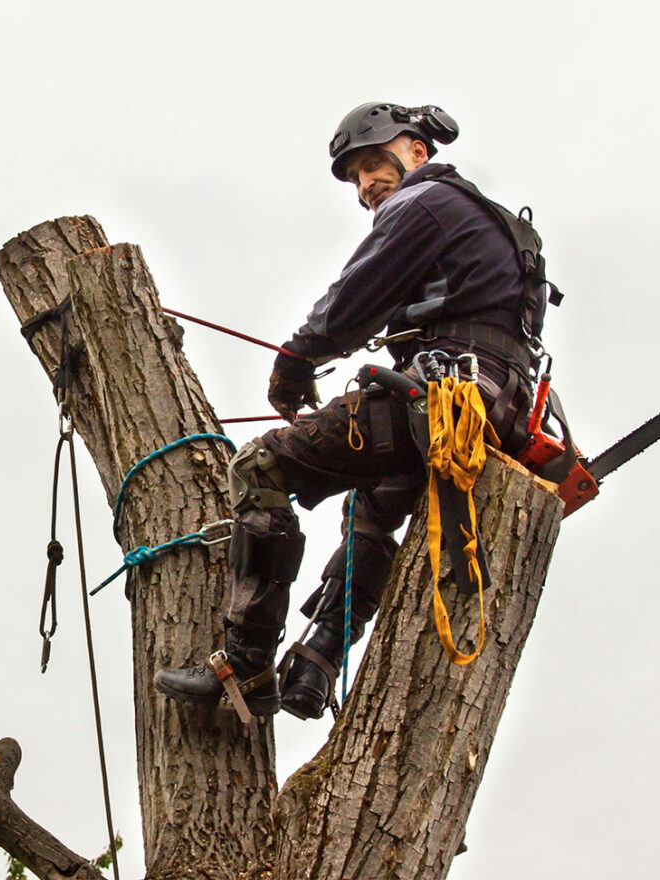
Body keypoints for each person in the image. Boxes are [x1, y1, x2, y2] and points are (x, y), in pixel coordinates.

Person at [154, 102, 549, 720]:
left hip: (447, 401)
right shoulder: (484, 221)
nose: (366, 185)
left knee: (259, 469)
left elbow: (351, 302)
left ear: (418, 150)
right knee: (370, 509)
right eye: (356, 177)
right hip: (483, 409)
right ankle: (317, 662)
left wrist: (294, 362)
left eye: (372, 163)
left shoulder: (425, 203)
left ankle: (246, 664)